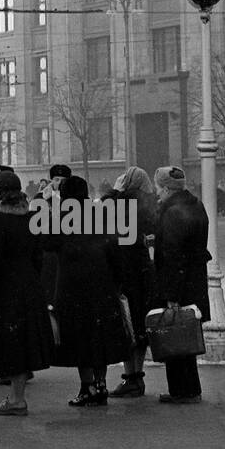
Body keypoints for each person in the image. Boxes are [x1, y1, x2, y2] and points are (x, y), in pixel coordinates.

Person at [47, 174, 132, 407]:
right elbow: (116, 250)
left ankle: (87, 388)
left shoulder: (61, 218)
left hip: (71, 289)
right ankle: (101, 384)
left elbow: (46, 244)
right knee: (99, 338)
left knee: (79, 340)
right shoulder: (102, 215)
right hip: (102, 287)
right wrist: (118, 283)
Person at [0, 170, 52, 416]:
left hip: (5, 290)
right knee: (22, 342)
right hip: (28, 285)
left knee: (10, 344)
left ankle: (16, 399)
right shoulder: (31, 216)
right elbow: (38, 255)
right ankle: (16, 396)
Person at [153, 165, 211, 405]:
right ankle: (190, 388)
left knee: (175, 336)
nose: (157, 194)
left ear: (167, 188)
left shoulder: (173, 212)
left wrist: (171, 294)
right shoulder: (195, 206)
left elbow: (174, 256)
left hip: (180, 283)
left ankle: (181, 390)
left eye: (159, 188)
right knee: (187, 336)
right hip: (195, 279)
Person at [107, 166, 159, 399]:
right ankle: (137, 376)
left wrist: (114, 191)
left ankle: (131, 379)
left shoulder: (122, 202)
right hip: (143, 271)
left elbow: (101, 216)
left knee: (127, 325)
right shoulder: (148, 203)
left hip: (124, 271)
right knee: (139, 324)